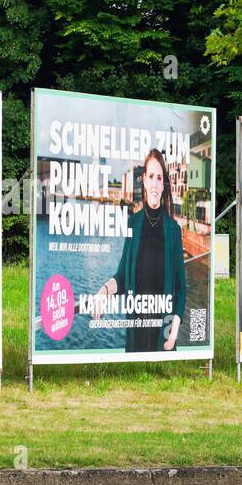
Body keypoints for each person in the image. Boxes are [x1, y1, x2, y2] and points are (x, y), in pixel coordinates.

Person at [90, 148, 187, 352]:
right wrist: (103, 291)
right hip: (136, 333)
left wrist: (173, 333)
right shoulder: (132, 224)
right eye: (150, 176)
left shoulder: (173, 230)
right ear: (144, 180)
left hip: (164, 334)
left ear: (163, 184)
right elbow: (122, 276)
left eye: (159, 177)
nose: (154, 182)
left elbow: (181, 287)